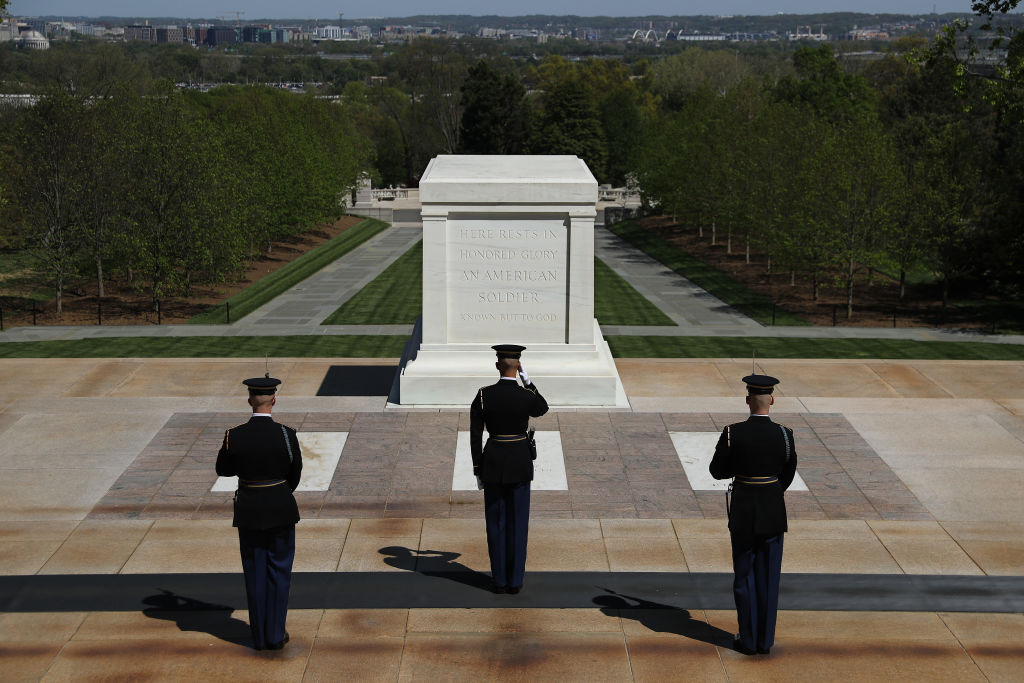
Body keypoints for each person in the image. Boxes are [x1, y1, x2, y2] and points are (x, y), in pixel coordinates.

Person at [709, 373, 797, 656]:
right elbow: (787, 475)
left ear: (748, 400)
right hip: (772, 508)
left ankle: (747, 639)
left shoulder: (733, 432)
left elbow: (717, 471)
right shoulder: (785, 434)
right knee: (769, 578)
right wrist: (769, 490)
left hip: (745, 509)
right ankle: (764, 641)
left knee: (745, 576)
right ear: (771, 400)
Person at [215, 372, 302, 651]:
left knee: (254, 571)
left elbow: (223, 469)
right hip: (280, 507)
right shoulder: (287, 436)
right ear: (274, 400)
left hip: (250, 509)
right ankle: (275, 634)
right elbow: (295, 475)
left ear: (250, 400)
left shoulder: (234, 435)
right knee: (279, 572)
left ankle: (260, 636)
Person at [470, 344, 549, 594]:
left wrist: (477, 468)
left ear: (497, 365)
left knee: (496, 523)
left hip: (493, 461)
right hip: (519, 461)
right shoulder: (526, 396)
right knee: (518, 523)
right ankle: (515, 581)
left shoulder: (483, 395)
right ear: (518, 366)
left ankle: (499, 580)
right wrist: (529, 382)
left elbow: (475, 436)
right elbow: (542, 408)